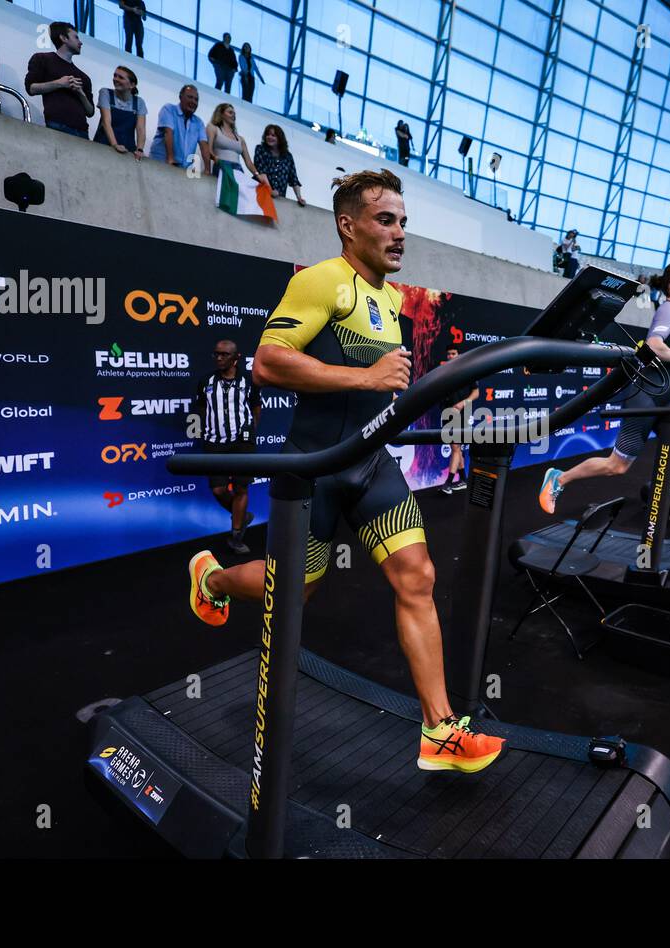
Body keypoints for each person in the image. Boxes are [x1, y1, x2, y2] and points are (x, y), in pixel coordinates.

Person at [186, 168, 506, 773]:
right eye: (386, 220)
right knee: (294, 592)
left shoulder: (390, 299)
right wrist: (365, 377)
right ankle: (214, 578)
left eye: (404, 222)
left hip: (372, 464)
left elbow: (388, 387)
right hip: (313, 470)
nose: (399, 233)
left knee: (418, 576)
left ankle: (439, 731)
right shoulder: (320, 282)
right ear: (348, 225)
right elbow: (268, 364)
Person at [538, 262, 670, 554]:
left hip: (665, 402)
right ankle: (559, 477)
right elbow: (652, 345)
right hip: (646, 399)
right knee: (617, 466)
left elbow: (662, 356)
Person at [192, 339, 263, 554]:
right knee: (218, 489)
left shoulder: (249, 381)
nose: (219, 358)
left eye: (224, 355)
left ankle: (236, 537)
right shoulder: (206, 381)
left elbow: (256, 408)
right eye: (216, 354)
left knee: (241, 488)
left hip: (242, 443)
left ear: (236, 358)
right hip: (215, 442)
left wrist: (249, 432)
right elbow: (203, 408)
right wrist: (210, 429)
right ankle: (241, 515)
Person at [25, 21, 94, 139]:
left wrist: (81, 94)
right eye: (76, 37)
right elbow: (31, 88)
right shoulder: (42, 59)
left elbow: (90, 111)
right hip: (56, 126)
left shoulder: (84, 77)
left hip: (82, 131)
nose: (80, 42)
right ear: (63, 38)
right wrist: (60, 83)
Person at [437, 345, 477, 494]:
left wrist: (462, 403)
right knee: (456, 448)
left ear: (459, 355)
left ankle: (448, 483)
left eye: (453, 354)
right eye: (448, 354)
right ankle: (464, 479)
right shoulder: (444, 372)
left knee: (455, 447)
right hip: (447, 414)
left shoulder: (468, 370)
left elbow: (476, 392)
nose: (450, 356)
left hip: (462, 414)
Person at [148, 83, 210, 170]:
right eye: (190, 97)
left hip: (182, 170)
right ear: (180, 97)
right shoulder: (169, 109)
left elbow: (204, 145)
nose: (193, 102)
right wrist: (170, 159)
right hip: (160, 164)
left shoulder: (199, 122)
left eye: (196, 99)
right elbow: (168, 132)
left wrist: (207, 170)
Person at [205, 102, 266, 186]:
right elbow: (208, 149)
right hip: (222, 166)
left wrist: (257, 174)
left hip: (238, 170)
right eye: (230, 112)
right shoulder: (213, 128)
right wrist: (215, 158)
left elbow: (249, 162)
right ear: (221, 114)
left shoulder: (240, 139)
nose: (233, 115)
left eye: (234, 113)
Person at [93, 65, 146, 158]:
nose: (115, 79)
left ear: (132, 85)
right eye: (115, 76)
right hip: (103, 147)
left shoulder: (139, 102)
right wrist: (115, 145)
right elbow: (106, 122)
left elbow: (140, 129)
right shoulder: (105, 93)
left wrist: (139, 150)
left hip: (127, 151)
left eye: (120, 77)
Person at [252, 124, 305, 205]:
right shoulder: (260, 149)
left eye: (273, 135)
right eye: (268, 134)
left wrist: (299, 197)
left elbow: (293, 179)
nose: (269, 137)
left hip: (279, 199)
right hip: (259, 193)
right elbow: (261, 172)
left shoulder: (288, 156)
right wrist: (270, 190)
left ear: (280, 139)